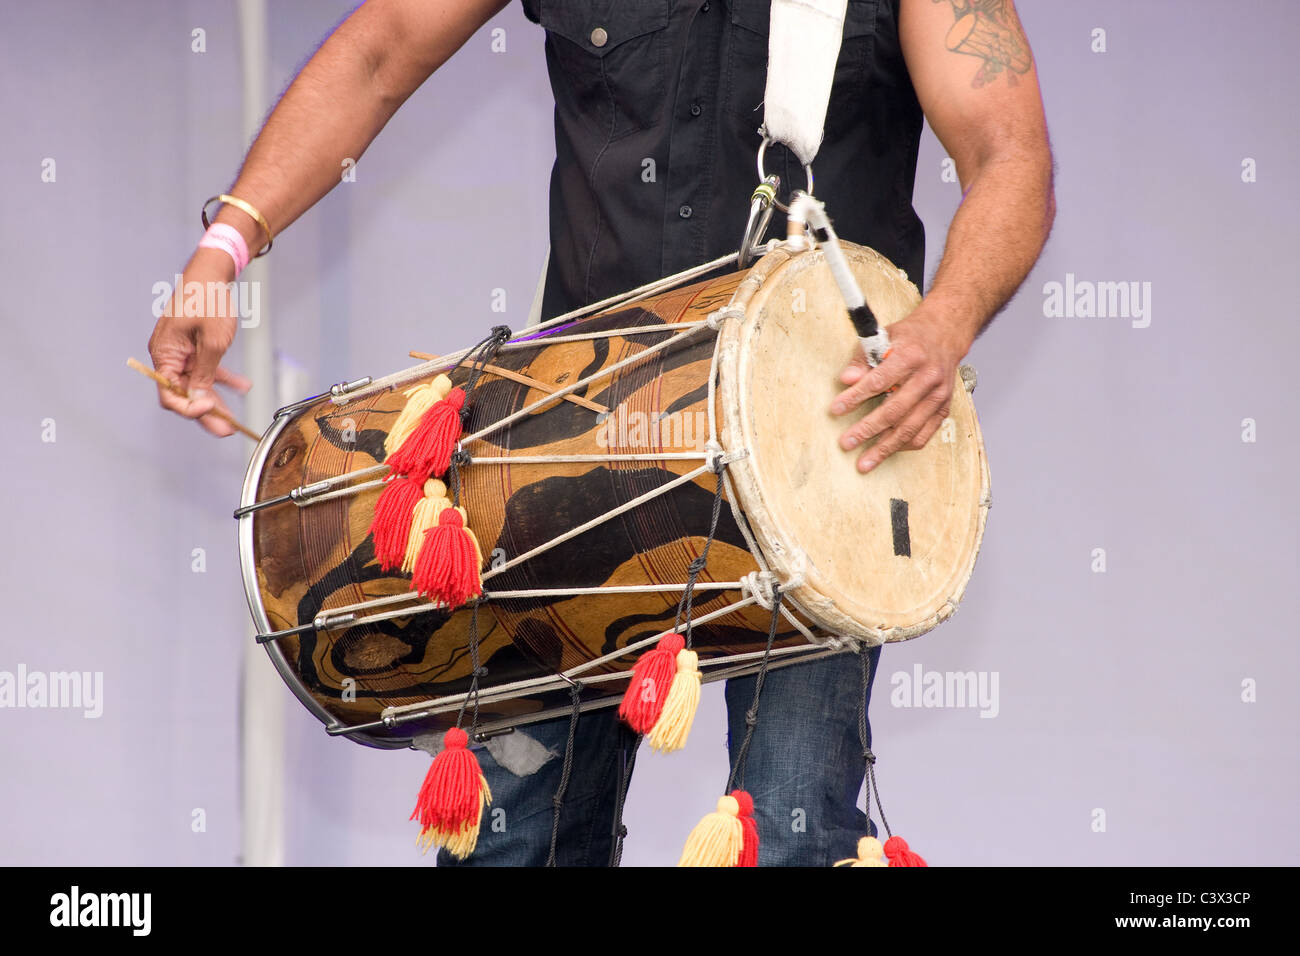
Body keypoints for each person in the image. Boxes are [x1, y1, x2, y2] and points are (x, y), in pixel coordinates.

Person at [147, 0, 1054, 866]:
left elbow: (1008, 150)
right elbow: (381, 50)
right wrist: (224, 247)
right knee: (516, 841)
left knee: (792, 833)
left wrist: (943, 326)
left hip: (824, 446)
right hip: (572, 443)